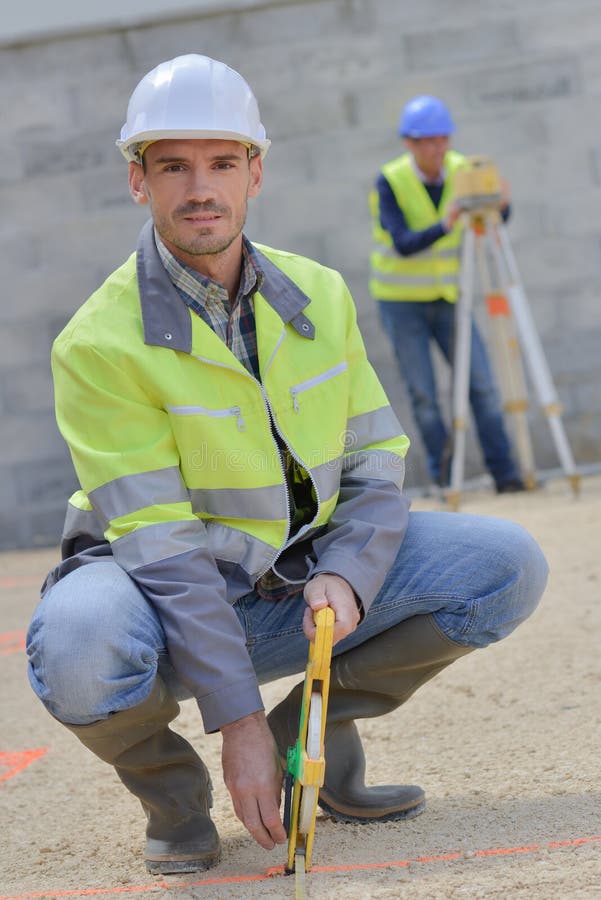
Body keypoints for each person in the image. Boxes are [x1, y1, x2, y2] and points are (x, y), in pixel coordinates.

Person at [26, 56, 548, 876]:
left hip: (296, 585)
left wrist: (344, 573)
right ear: (138, 180)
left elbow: (376, 461)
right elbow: (161, 545)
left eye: (222, 164)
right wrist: (233, 718)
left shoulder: (319, 295)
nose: (201, 188)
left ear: (254, 172)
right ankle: (173, 796)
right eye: (174, 167)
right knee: (79, 646)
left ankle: (308, 741)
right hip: (164, 600)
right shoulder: (96, 343)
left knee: (504, 565)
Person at [370, 94, 525, 493]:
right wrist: (446, 222)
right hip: (401, 303)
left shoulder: (462, 170)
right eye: (428, 141)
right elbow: (403, 242)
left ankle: (505, 476)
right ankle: (446, 482)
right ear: (410, 143)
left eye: (443, 139)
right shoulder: (390, 180)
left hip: (450, 298)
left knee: (482, 386)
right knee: (424, 395)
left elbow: (490, 218)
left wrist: (502, 206)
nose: (438, 149)